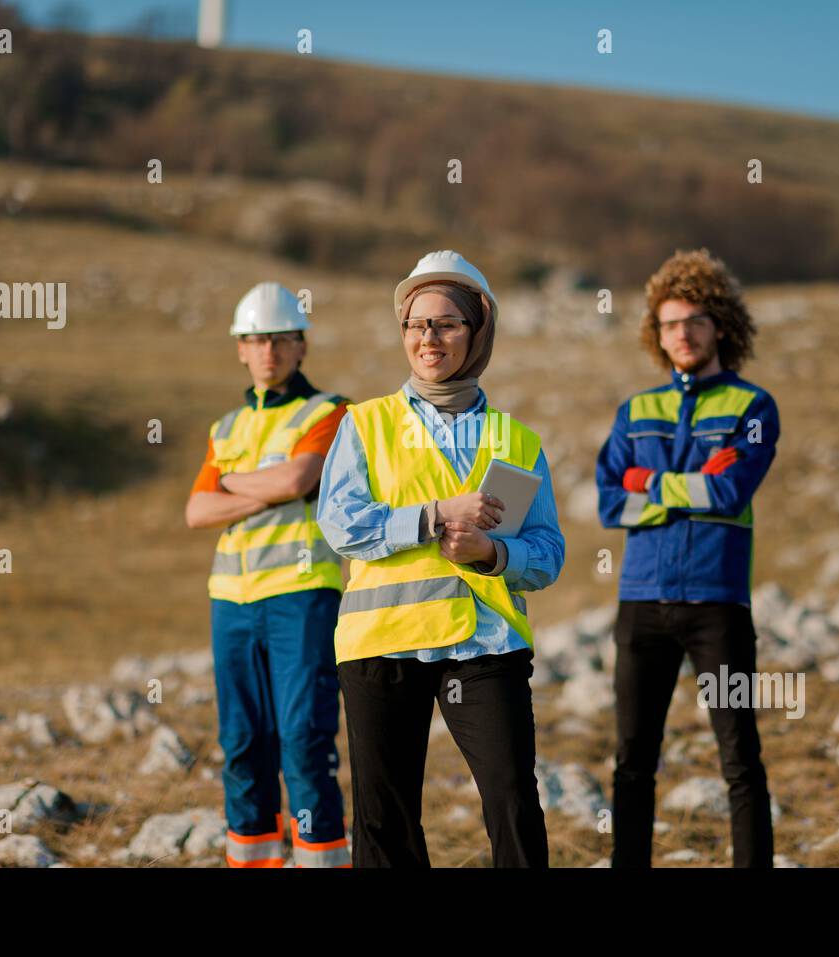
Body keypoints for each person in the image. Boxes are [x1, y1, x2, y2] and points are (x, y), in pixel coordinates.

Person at [317, 250, 565, 867]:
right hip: (384, 642)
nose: (429, 338)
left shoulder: (516, 440)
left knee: (512, 803)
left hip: (485, 646)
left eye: (446, 323)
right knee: (385, 818)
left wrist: (492, 553)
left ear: (476, 332)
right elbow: (340, 527)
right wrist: (433, 517)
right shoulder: (365, 425)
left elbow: (547, 552)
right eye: (415, 324)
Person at [596, 248, 781, 868]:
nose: (681, 333)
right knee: (631, 761)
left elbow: (730, 491)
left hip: (717, 606)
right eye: (669, 323)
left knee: (739, 759)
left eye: (694, 320)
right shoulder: (634, 410)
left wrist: (646, 482)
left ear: (720, 325)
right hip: (641, 604)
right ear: (657, 333)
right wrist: (687, 483)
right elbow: (605, 502)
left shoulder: (753, 410)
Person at [185, 281, 351, 867]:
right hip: (231, 601)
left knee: (304, 740)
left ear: (301, 345)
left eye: (280, 339)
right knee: (242, 745)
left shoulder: (329, 412)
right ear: (240, 348)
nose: (268, 351)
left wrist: (232, 483)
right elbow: (196, 511)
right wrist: (262, 487)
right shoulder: (225, 427)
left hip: (302, 597)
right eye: (255, 340)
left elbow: (297, 481)